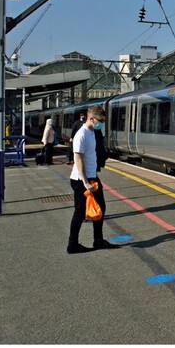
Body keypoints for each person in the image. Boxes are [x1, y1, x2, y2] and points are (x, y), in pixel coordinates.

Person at [67, 105, 118, 254]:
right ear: (91, 118)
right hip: (81, 179)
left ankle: (98, 240)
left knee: (100, 206)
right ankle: (73, 245)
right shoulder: (81, 134)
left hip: (91, 176)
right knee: (80, 211)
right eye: (100, 120)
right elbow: (78, 159)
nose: (101, 123)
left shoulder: (91, 132)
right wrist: (85, 182)